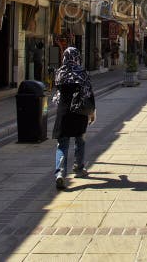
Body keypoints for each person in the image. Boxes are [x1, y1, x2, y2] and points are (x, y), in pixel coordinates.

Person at [52, 47, 96, 189]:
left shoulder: (60, 72)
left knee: (62, 144)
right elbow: (87, 93)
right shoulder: (81, 73)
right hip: (78, 111)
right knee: (80, 140)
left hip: (63, 112)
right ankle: (78, 168)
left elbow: (57, 95)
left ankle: (60, 173)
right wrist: (92, 112)